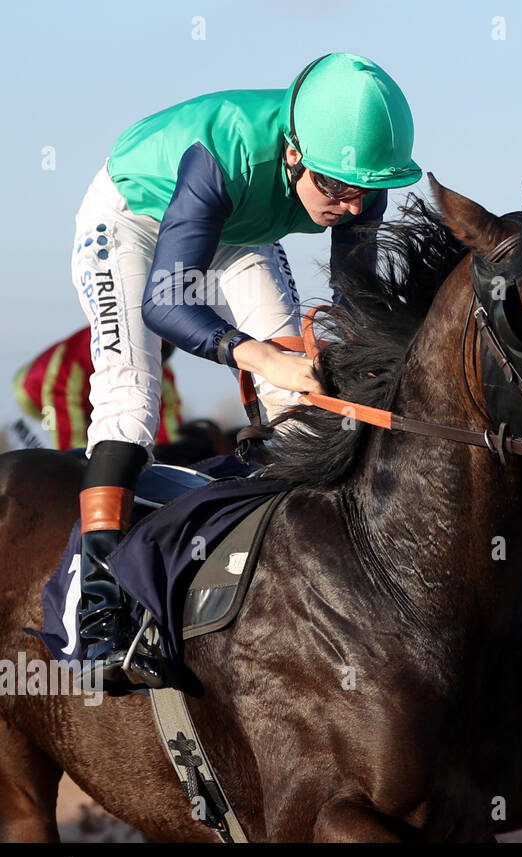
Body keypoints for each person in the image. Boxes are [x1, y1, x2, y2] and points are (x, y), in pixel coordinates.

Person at [71, 52, 423, 690]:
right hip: (133, 218)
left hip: (234, 228)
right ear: (293, 154)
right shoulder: (223, 154)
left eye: (364, 192)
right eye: (336, 189)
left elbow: (356, 303)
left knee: (303, 388)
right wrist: (256, 354)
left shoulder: (360, 175)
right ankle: (97, 606)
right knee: (133, 397)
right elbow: (165, 303)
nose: (350, 207)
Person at [10, 326, 183, 451]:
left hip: (82, 408)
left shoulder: (161, 372)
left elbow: (168, 423)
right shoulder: (80, 356)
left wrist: (174, 451)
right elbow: (58, 394)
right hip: (34, 404)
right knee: (57, 469)